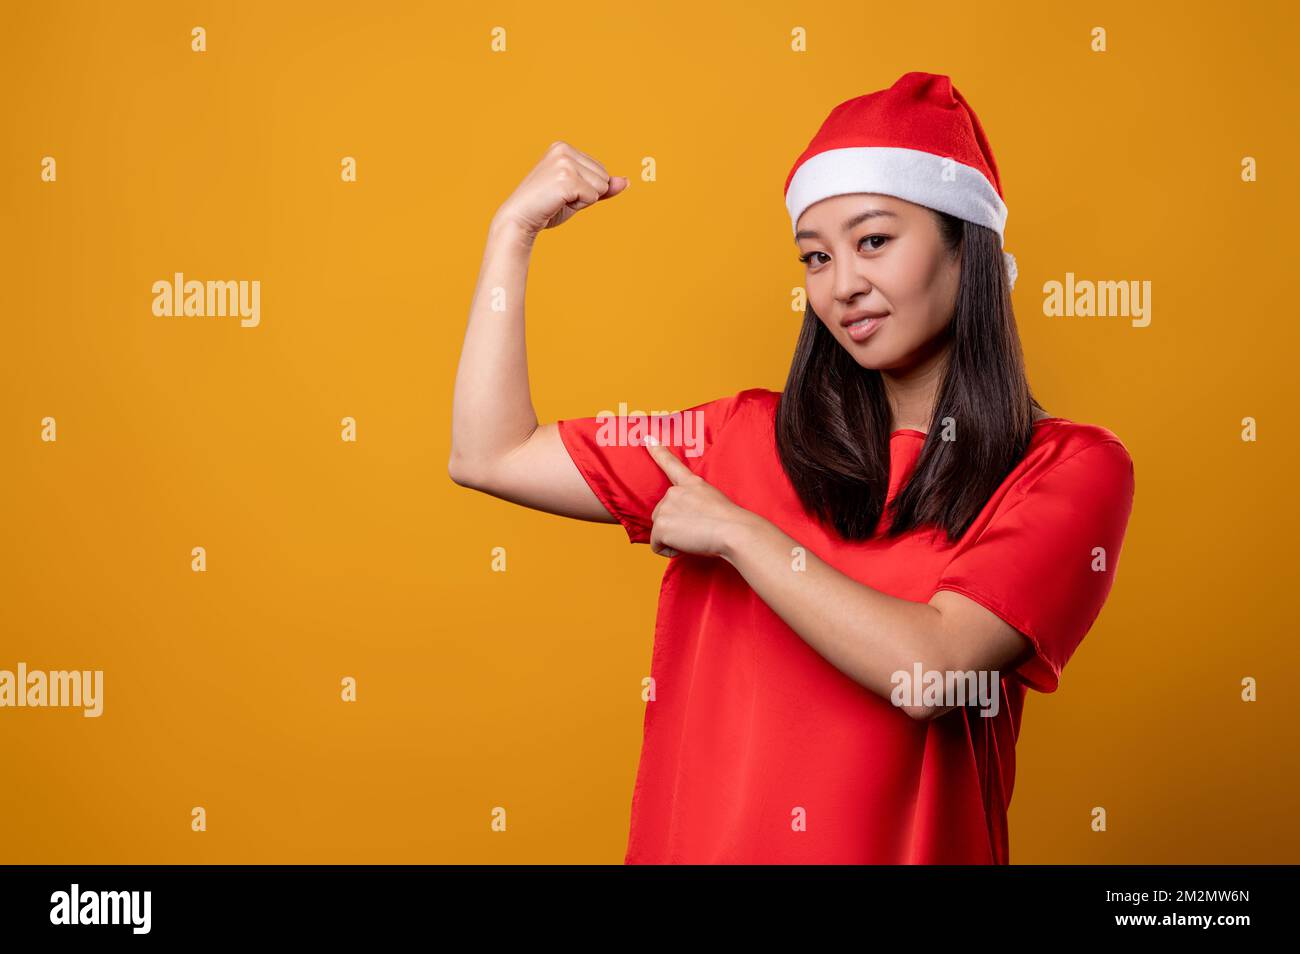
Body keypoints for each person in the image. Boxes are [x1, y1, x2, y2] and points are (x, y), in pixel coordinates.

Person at [449, 71, 1136, 864]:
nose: (842, 285)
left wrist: (741, 534)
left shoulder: (1070, 468)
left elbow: (933, 670)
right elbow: (489, 454)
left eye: (874, 240)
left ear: (964, 247)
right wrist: (512, 234)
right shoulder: (740, 439)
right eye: (815, 257)